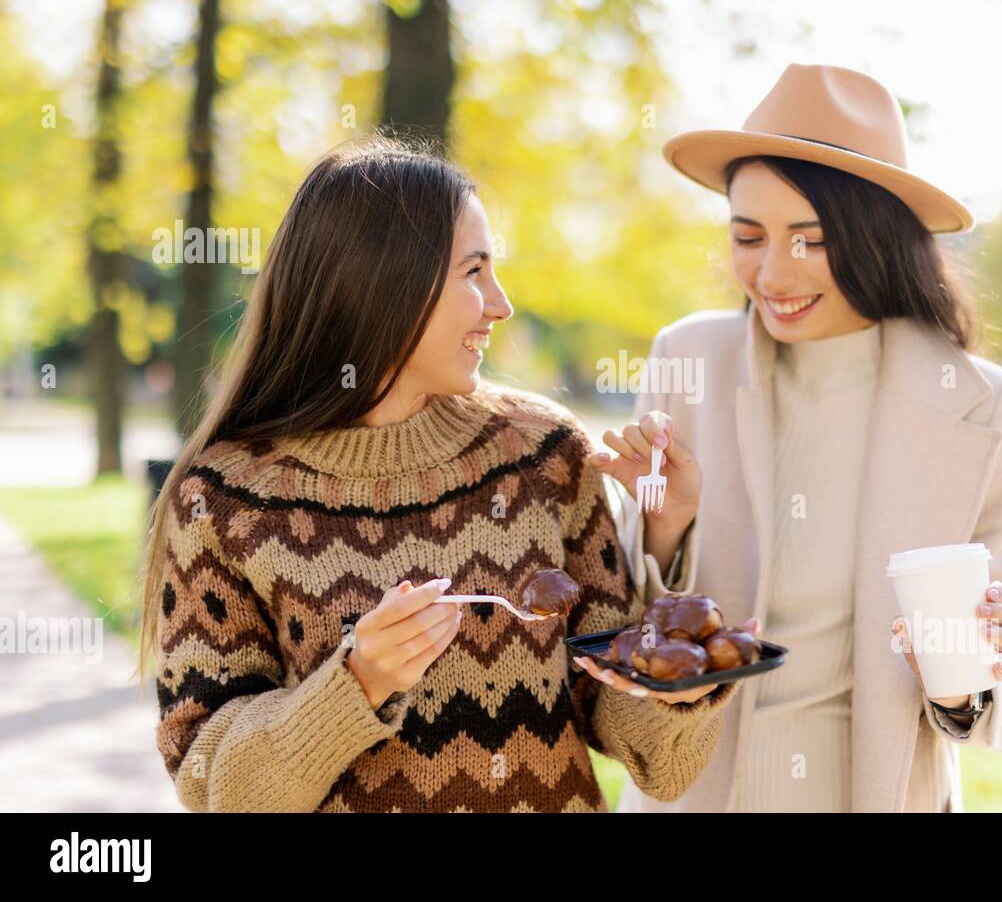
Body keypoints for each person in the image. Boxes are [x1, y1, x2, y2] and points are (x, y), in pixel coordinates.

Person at [138, 134, 742, 812]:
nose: (501, 303)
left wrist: (681, 673)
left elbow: (651, 754)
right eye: (474, 272)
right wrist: (357, 684)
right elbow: (215, 789)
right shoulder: (224, 500)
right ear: (384, 284)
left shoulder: (544, 456)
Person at [615, 63, 1002, 812]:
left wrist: (962, 673)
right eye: (748, 235)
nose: (772, 272)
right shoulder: (689, 361)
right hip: (694, 794)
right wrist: (663, 524)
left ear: (875, 238)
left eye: (811, 239)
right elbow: (625, 618)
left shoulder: (988, 409)